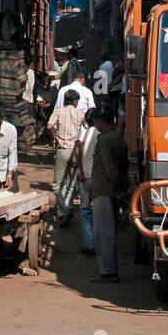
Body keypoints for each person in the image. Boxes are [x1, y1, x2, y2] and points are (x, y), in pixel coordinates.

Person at [90, 104, 128, 283]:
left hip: (104, 190)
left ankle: (107, 271)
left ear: (99, 120)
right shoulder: (118, 138)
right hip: (112, 192)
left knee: (103, 232)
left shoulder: (104, 140)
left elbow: (109, 168)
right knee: (109, 231)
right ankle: (109, 269)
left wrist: (117, 187)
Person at [46, 89, 83, 224]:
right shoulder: (79, 113)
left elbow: (49, 126)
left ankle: (65, 209)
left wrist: (54, 137)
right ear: (74, 101)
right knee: (71, 184)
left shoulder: (58, 111)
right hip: (75, 152)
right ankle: (67, 210)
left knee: (58, 185)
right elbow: (86, 126)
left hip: (62, 151)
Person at [75, 107, 99, 255]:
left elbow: (77, 150)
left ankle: (89, 243)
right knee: (98, 210)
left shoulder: (83, 132)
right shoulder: (101, 133)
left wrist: (81, 171)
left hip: (85, 177)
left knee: (85, 210)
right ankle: (98, 243)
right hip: (97, 178)